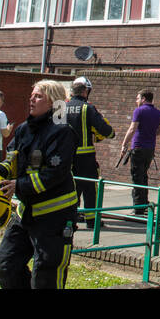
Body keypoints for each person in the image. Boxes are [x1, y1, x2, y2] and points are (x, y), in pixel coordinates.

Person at [0, 80, 78, 289]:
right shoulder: (24, 129)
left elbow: (54, 173)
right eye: (32, 95)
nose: (31, 99)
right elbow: (12, 158)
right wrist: (0, 170)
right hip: (25, 213)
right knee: (6, 265)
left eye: (38, 96)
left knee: (46, 275)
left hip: (55, 217)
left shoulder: (62, 131)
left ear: (53, 102)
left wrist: (19, 186)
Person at [64, 76, 114, 227]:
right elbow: (106, 130)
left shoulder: (60, 107)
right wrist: (107, 134)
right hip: (85, 158)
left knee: (70, 187)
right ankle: (92, 221)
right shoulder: (88, 108)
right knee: (90, 188)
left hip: (64, 157)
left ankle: (71, 218)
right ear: (85, 91)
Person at [118, 90, 160, 216]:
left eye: (137, 98)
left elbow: (132, 128)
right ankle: (144, 203)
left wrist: (124, 144)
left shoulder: (139, 111)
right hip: (150, 149)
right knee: (144, 176)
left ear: (143, 98)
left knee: (137, 177)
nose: (136, 100)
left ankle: (138, 208)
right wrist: (149, 133)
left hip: (138, 147)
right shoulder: (159, 113)